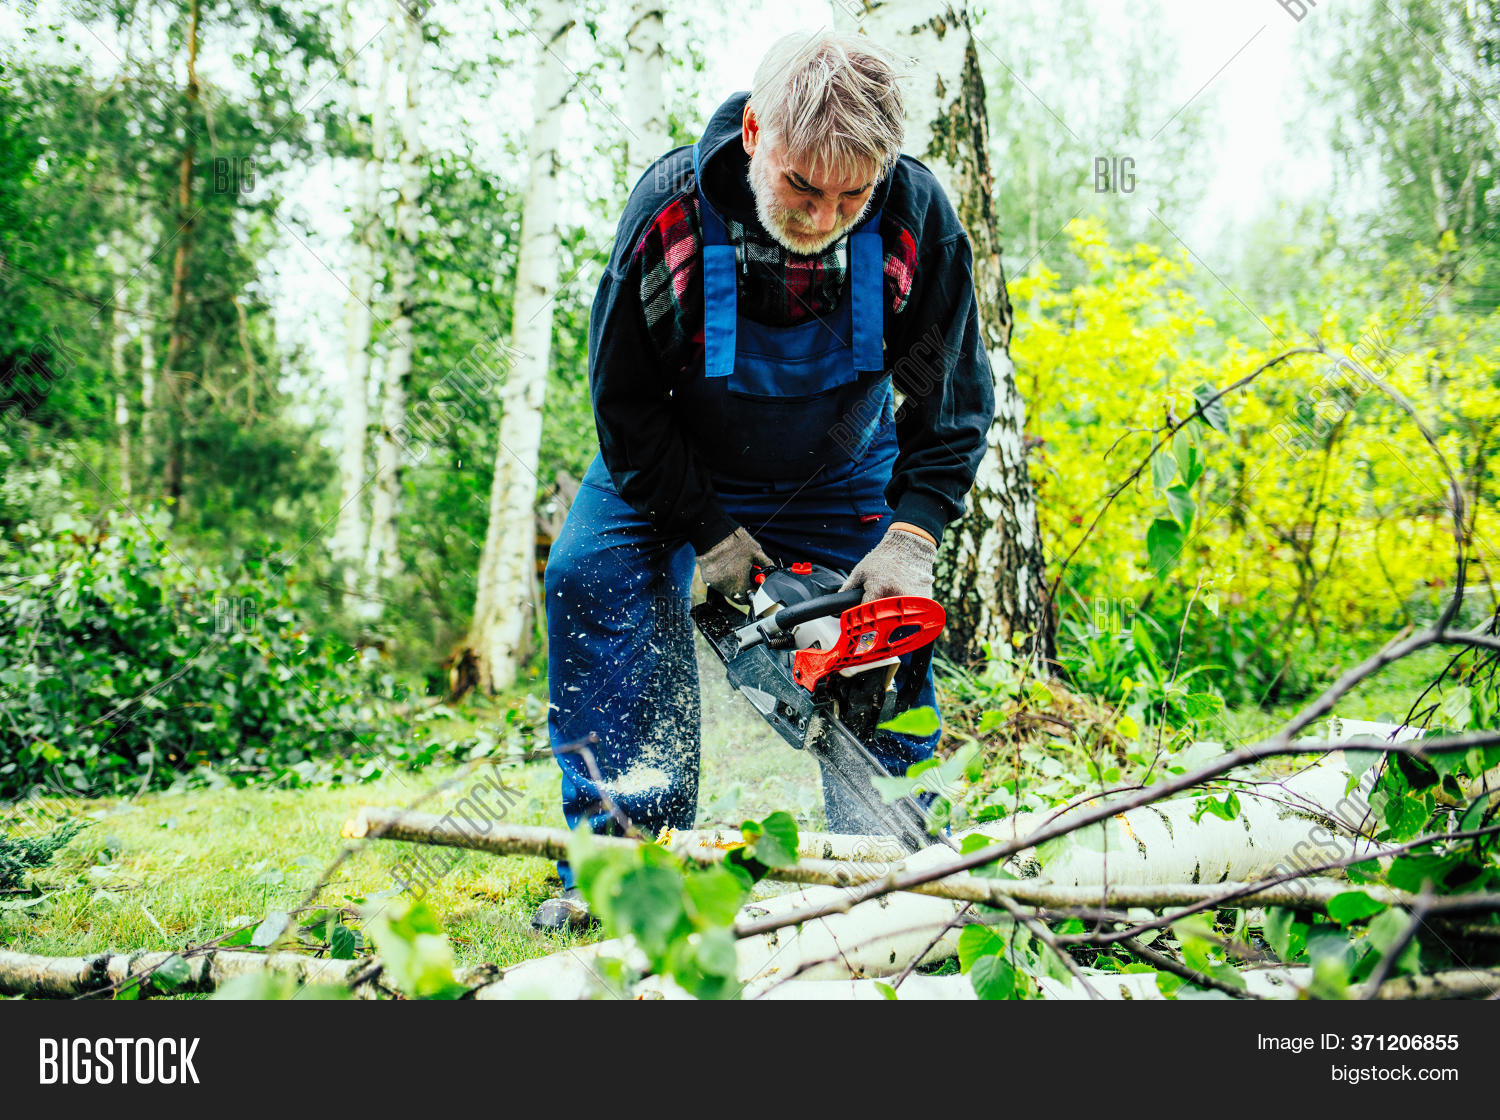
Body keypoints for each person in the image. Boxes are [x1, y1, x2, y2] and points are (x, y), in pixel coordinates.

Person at [533, 29, 996, 930]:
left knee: (882, 623)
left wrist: (912, 535)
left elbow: (950, 398)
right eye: (802, 187)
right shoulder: (668, 211)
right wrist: (706, 530)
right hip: (669, 463)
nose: (823, 217)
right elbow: (624, 403)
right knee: (590, 576)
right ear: (754, 133)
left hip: (842, 470)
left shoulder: (917, 217)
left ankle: (892, 867)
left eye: (852, 196)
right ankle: (622, 863)